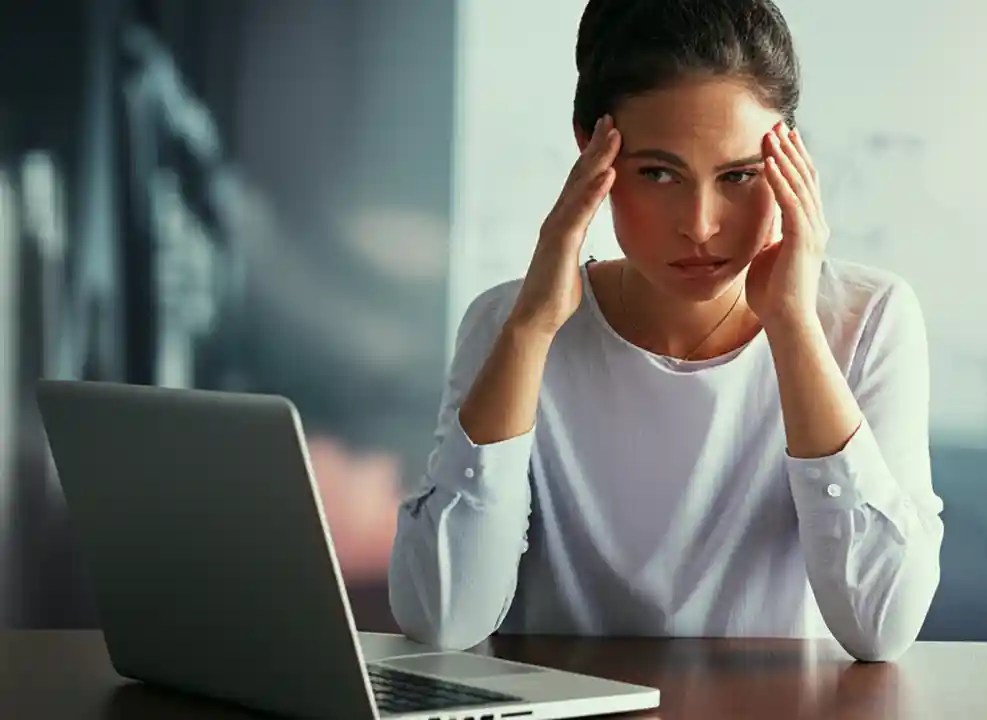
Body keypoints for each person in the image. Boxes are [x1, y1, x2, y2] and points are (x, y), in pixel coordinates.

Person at [389, 0, 944, 662]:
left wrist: (793, 327)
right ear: (591, 152)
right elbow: (443, 618)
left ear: (792, 159)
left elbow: (879, 628)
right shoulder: (510, 323)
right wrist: (531, 331)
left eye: (739, 176)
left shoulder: (869, 317)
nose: (702, 224)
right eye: (658, 173)